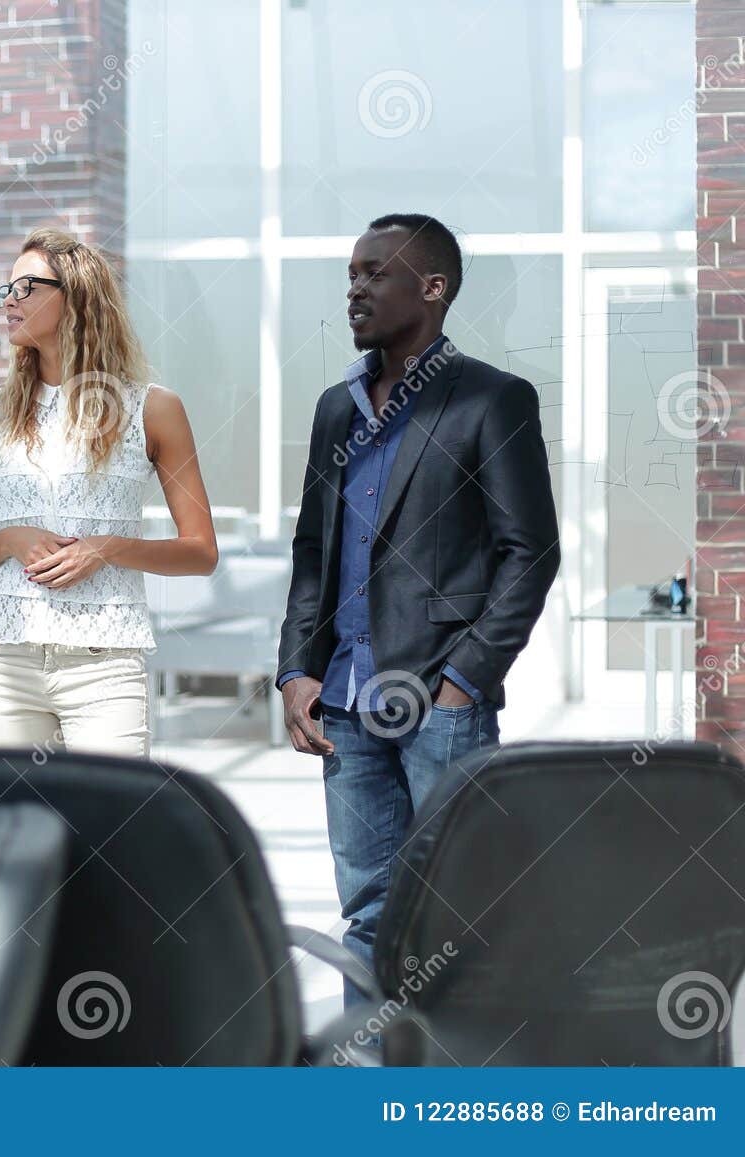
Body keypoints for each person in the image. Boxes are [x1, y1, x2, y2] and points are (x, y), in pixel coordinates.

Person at [276, 213, 560, 1000]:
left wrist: (464, 680)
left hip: (440, 702)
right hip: (344, 700)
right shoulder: (338, 408)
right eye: (351, 274)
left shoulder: (493, 400)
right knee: (368, 908)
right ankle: (371, 1094)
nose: (354, 287)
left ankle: (453, 1091)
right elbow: (313, 550)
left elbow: (530, 553)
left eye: (374, 272)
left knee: (457, 906)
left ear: (431, 288)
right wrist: (297, 669)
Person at [0, 228, 218, 758]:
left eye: (28, 287)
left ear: (78, 297)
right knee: (20, 831)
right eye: (7, 290)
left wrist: (107, 547)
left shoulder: (152, 409)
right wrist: (9, 540)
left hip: (105, 662)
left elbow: (201, 552)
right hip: (4, 661)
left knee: (110, 830)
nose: (10, 301)